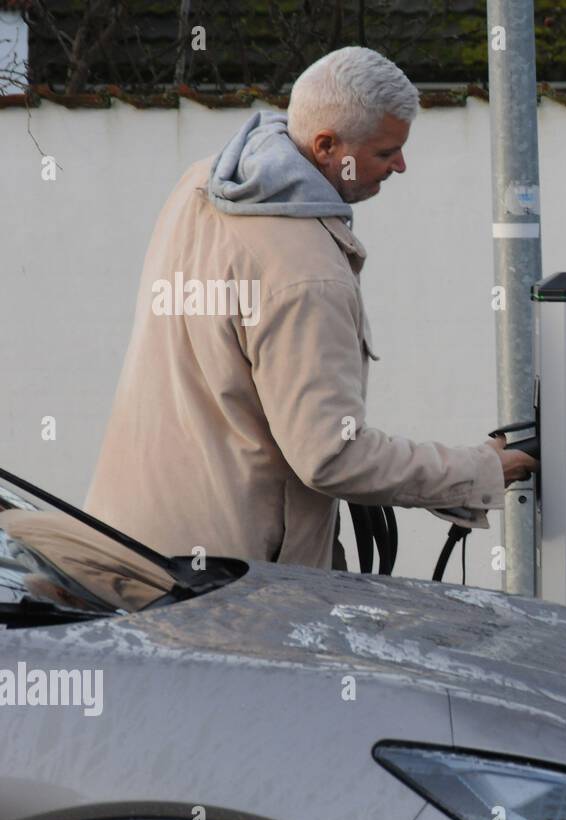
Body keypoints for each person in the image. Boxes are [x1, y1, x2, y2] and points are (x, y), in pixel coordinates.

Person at [84, 46, 535, 570]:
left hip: (127, 546)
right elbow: (330, 455)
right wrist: (476, 470)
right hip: (227, 583)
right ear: (326, 146)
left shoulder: (202, 186)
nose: (402, 166)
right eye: (387, 152)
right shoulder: (306, 272)